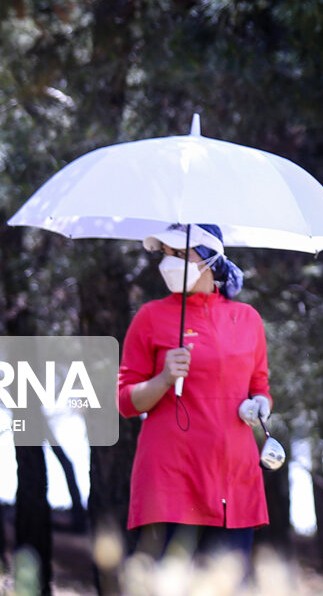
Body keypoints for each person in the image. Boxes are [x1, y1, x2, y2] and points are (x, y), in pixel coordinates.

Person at [117, 222, 272, 560]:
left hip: (234, 481)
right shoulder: (150, 317)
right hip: (170, 482)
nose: (168, 261)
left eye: (179, 253)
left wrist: (260, 403)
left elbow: (260, 385)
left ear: (209, 258)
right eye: (165, 253)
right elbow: (126, 402)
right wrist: (162, 379)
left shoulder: (247, 319)